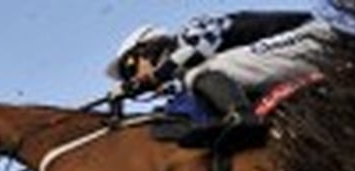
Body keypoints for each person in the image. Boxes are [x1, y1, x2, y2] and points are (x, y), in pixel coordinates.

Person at [106, 11, 337, 147]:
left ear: (146, 49)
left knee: (200, 72)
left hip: (313, 38)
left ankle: (242, 118)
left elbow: (199, 47)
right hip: (291, 58)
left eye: (130, 67)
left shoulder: (191, 31)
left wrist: (154, 77)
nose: (135, 76)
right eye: (129, 76)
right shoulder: (182, 77)